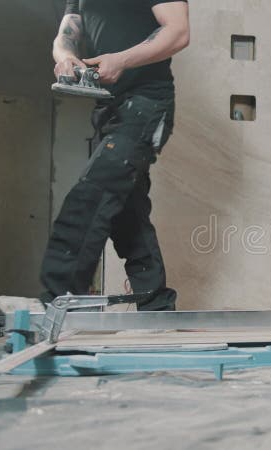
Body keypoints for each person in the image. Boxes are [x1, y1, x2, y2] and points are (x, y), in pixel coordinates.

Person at [40, 0, 190, 310]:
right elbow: (66, 33)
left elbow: (178, 31)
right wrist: (65, 56)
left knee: (93, 195)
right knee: (128, 215)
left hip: (147, 103)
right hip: (108, 107)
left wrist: (120, 60)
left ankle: (58, 302)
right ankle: (157, 311)